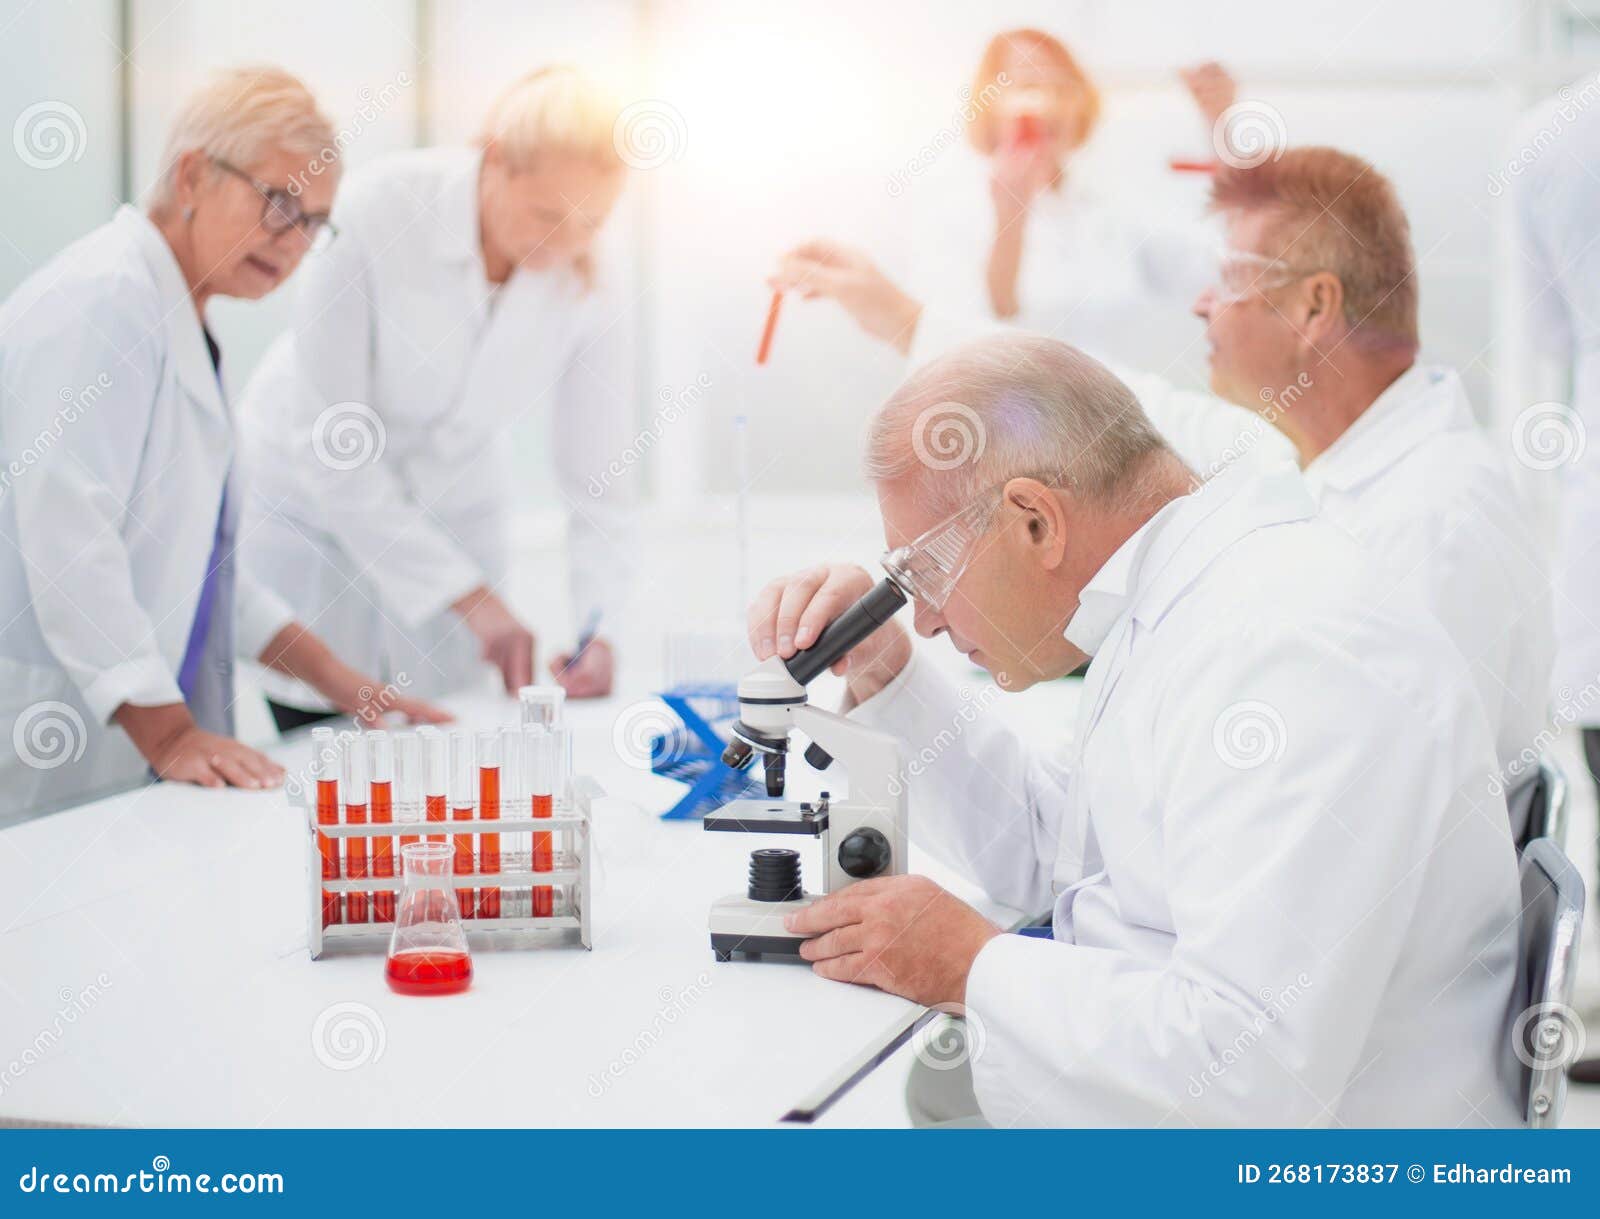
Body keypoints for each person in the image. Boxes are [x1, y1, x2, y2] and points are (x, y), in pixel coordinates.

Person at [747, 335, 1519, 1126]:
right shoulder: (1185, 599)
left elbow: (1248, 1068)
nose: (929, 619)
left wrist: (969, 963)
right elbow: (1061, 852)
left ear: (1035, 522)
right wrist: (884, 670)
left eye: (929, 574)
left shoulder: (1283, 650)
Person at [770, 146, 1554, 789]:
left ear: (1315, 306)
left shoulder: (1423, 526)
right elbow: (1116, 410)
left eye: (1230, 278)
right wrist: (905, 319)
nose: (1202, 303)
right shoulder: (1310, 464)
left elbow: (1386, 825)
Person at [0, 67, 447, 822]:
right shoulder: (104, 301)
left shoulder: (184, 320)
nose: (295, 242)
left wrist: (346, 686)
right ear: (191, 176)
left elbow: (206, 574)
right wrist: (170, 732)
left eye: (315, 222)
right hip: (50, 742)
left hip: (114, 755)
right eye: (280, 203)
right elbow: (68, 539)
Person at [238, 66, 636, 729]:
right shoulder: (377, 209)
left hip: (456, 513)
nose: (566, 242)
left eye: (591, 221)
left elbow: (601, 477)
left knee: (447, 743)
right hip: (314, 517)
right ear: (494, 159)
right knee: (327, 752)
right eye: (546, 215)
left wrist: (601, 628)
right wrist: (470, 598)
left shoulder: (597, 274)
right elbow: (331, 443)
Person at [910, 28, 1237, 375]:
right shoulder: (950, 213)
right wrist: (1010, 223)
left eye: (1061, 88)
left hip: (1123, 406)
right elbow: (963, 352)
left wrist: (1220, 126)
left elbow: (1228, 271)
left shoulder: (1114, 208)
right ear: (989, 104)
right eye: (1027, 85)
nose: (1047, 102)